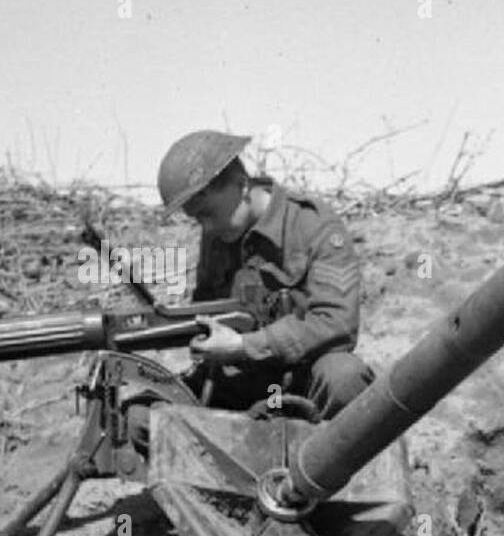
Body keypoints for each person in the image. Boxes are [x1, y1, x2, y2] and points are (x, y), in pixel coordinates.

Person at [156, 130, 374, 419]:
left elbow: (336, 325)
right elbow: (207, 311)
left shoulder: (312, 225)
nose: (206, 228)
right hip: (243, 382)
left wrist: (244, 346)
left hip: (302, 382)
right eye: (197, 219)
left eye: (208, 214)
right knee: (146, 412)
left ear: (241, 185)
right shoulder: (219, 235)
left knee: (345, 378)